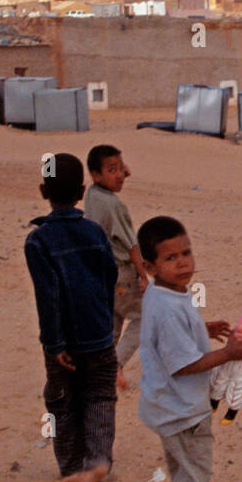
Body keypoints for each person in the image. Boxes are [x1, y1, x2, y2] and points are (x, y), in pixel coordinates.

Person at [136, 215, 242, 482]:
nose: (183, 263)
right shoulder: (168, 305)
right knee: (196, 471)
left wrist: (201, 328)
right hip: (181, 408)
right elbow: (185, 364)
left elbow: (169, 335)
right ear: (149, 265)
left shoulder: (166, 293)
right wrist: (229, 353)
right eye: (170, 258)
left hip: (165, 403)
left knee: (180, 463)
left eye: (186, 253)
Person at [23, 152, 118, 482]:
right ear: (81, 191)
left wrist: (54, 343)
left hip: (64, 342)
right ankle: (99, 460)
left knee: (62, 400)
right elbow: (110, 279)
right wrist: (107, 326)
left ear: (42, 191)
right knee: (100, 397)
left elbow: (47, 297)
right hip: (99, 335)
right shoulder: (94, 232)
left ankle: (70, 466)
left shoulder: (38, 240)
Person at [84, 144, 149, 391]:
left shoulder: (92, 194)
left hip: (102, 273)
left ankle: (101, 372)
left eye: (121, 168)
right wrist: (143, 276)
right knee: (145, 317)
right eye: (113, 170)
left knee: (113, 322)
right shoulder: (115, 206)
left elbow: (115, 176)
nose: (121, 174)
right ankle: (115, 365)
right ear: (96, 174)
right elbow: (132, 244)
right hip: (122, 273)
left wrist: (119, 170)